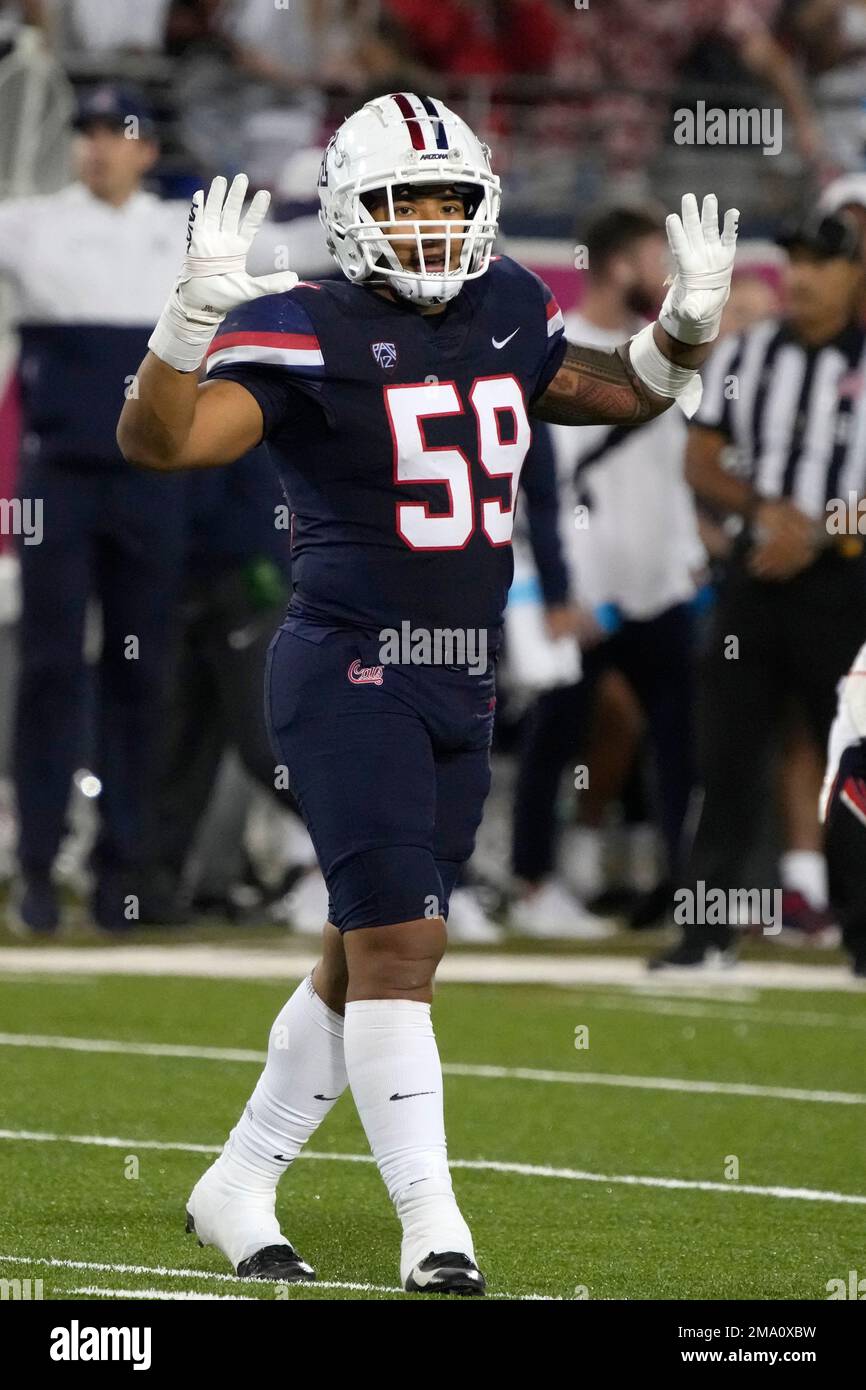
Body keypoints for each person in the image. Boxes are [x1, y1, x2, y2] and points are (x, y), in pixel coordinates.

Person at [118, 93, 739, 1293]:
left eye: (450, 198)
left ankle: (236, 1181)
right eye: (404, 201)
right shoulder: (305, 327)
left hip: (461, 673)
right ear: (354, 214)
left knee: (364, 953)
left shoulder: (508, 304)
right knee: (404, 942)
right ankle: (435, 1232)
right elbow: (164, 444)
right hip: (348, 661)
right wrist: (186, 320)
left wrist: (685, 332)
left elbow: (612, 392)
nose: (430, 224)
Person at [652, 209, 866, 970]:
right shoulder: (749, 354)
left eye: (823, 262)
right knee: (727, 757)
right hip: (755, 581)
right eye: (796, 261)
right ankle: (705, 933)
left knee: (852, 760)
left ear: (855, 274)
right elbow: (701, 462)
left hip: (847, 584)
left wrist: (825, 529)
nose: (803, 277)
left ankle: (861, 936)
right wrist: (764, 513)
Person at [510, 208, 705, 937]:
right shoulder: (559, 353)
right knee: (554, 739)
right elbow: (544, 490)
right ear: (621, 264)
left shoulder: (663, 355)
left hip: (658, 588)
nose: (665, 273)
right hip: (588, 596)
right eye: (656, 256)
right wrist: (561, 595)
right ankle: (533, 884)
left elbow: (671, 472)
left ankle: (688, 887)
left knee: (683, 746)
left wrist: (686, 557)